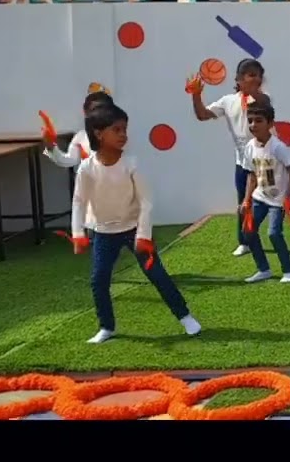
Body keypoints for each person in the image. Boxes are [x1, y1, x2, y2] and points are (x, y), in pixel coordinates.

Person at [69, 104, 201, 344]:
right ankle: (106, 327)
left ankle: (185, 317)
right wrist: (78, 233)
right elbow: (79, 201)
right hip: (103, 233)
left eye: (125, 129)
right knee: (99, 280)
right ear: (99, 134)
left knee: (157, 275)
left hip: (133, 231)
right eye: (116, 130)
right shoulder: (87, 168)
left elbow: (146, 202)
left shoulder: (132, 164)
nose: (123, 135)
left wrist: (143, 235)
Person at [189, 58, 290, 256]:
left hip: (268, 159)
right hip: (243, 161)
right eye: (251, 75)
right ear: (238, 78)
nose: (257, 79)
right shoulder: (227, 101)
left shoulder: (262, 98)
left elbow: (263, 102)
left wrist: (252, 89)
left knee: (289, 197)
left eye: (259, 76)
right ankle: (245, 241)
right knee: (244, 201)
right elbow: (202, 115)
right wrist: (196, 95)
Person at [239, 102, 290, 284]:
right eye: (250, 121)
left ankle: (288, 271)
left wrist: (288, 195)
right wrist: (246, 200)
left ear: (270, 123)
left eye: (258, 120)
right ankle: (263, 269)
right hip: (259, 197)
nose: (253, 125)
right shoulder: (250, 146)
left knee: (274, 234)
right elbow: (251, 174)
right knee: (248, 232)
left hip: (277, 201)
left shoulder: (277, 147)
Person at [42, 90, 113, 168]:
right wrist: (51, 145)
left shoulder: (120, 135)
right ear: (85, 112)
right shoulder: (81, 137)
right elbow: (65, 161)